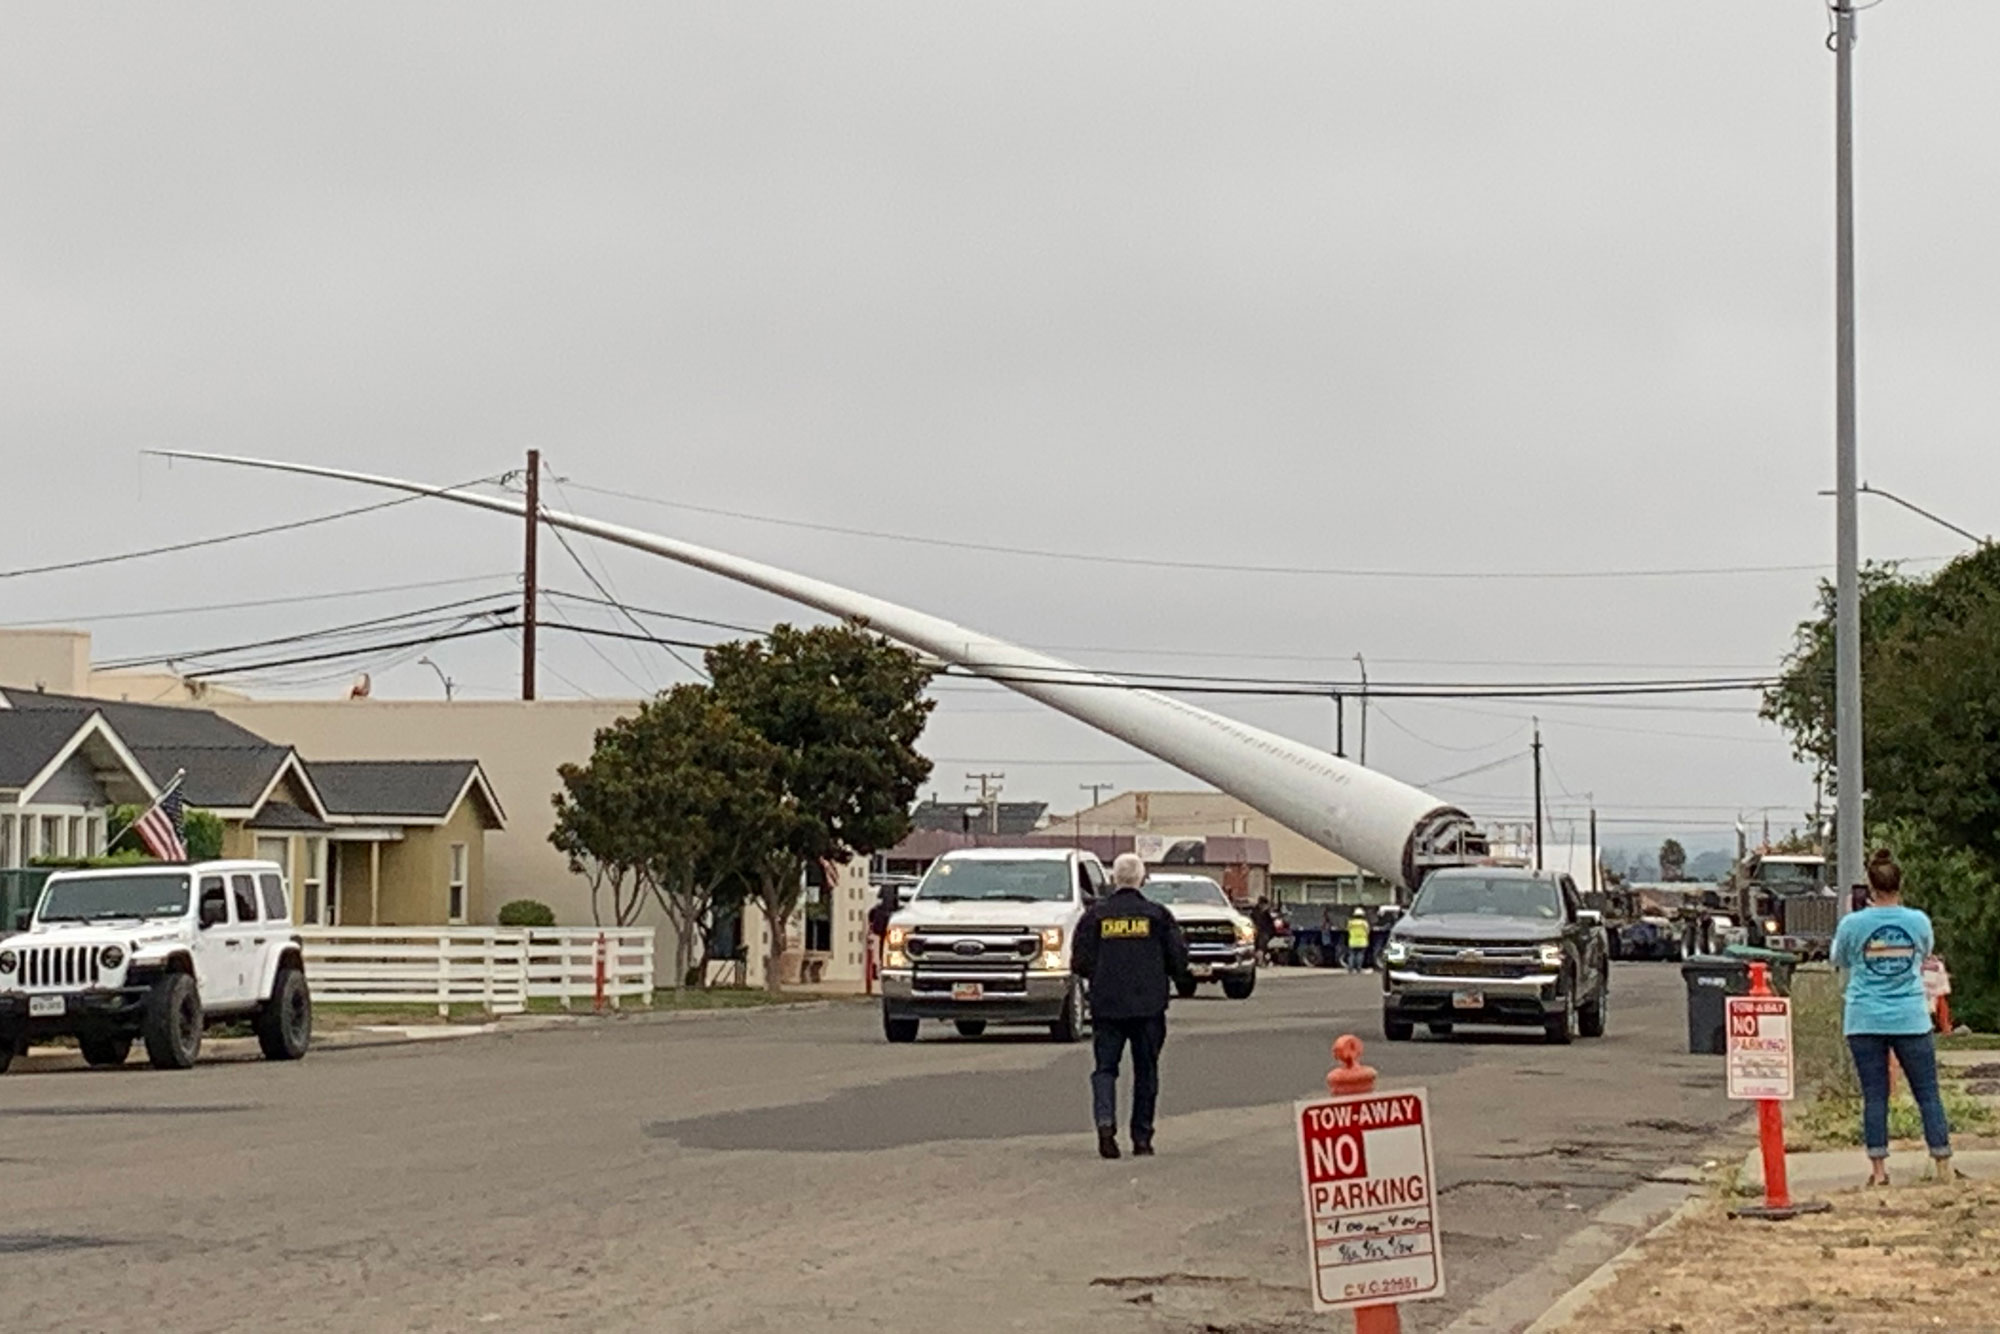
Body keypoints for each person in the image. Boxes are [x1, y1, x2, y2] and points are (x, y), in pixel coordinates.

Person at [1830, 849, 1954, 1186]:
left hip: (1864, 1017)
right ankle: (1942, 1161)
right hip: (1910, 1017)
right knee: (1927, 1092)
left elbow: (1838, 958)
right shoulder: (1917, 921)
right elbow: (1924, 952)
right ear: (1901, 883)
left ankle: (1879, 1170)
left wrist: (1850, 917)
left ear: (1869, 888)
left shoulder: (1853, 924)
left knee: (1874, 1095)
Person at [1071, 853, 1189, 1160]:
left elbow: (1080, 962)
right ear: (1141, 879)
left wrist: (1103, 973)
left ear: (1114, 879)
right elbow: (1179, 960)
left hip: (1107, 1007)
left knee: (1105, 1069)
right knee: (1146, 1072)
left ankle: (1106, 1124)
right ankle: (1142, 1138)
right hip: (1148, 1008)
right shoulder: (1157, 916)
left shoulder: (1096, 916)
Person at [1250, 897, 1276, 965]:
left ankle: (1260, 959)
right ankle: (1260, 960)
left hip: (1263, 932)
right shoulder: (1258, 913)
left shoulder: (1262, 912)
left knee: (1261, 945)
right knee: (1261, 946)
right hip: (1262, 932)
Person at [1344, 909, 1370, 973]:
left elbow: (1347, 930)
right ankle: (1359, 968)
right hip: (1362, 941)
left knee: (1351, 955)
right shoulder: (1364, 923)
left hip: (1352, 941)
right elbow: (1368, 931)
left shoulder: (1351, 922)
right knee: (1360, 955)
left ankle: (1350, 969)